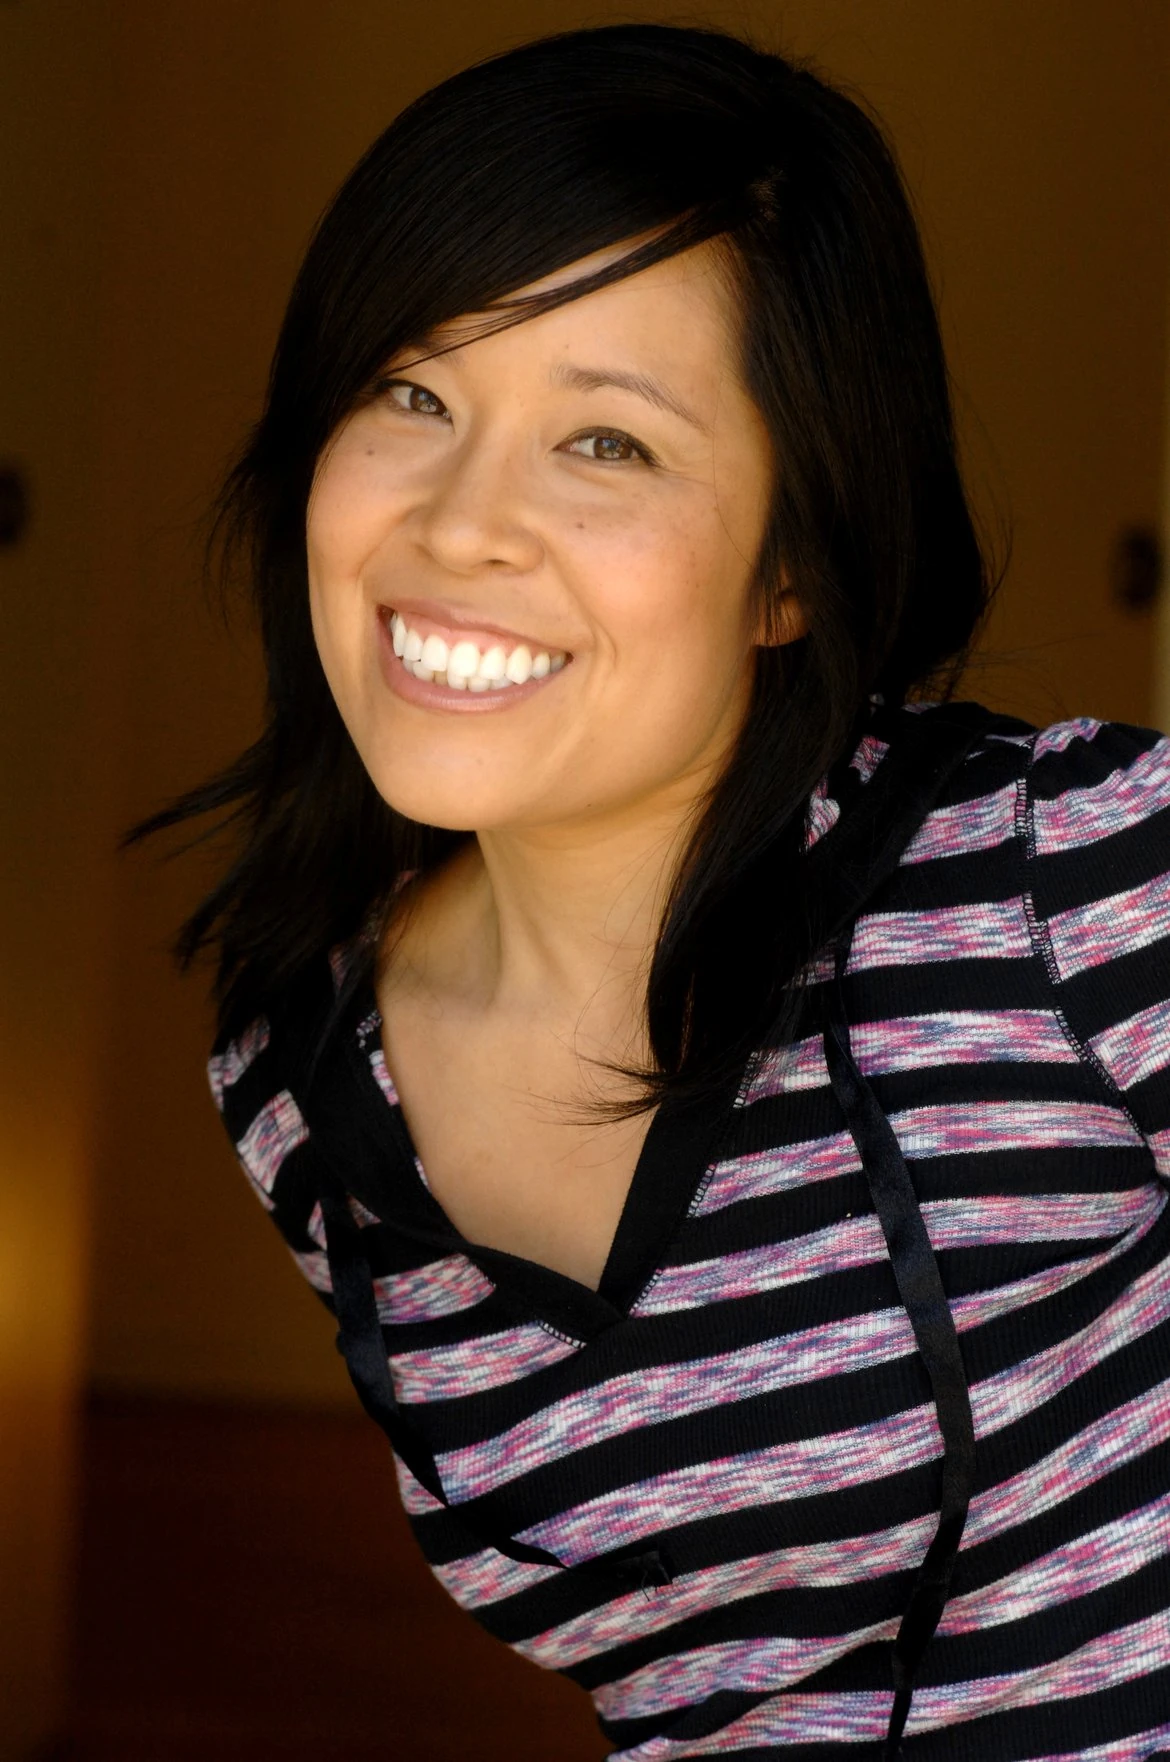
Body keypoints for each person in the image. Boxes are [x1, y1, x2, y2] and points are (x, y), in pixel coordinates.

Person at [136, 23, 1170, 1759]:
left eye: (604, 442)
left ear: (788, 567)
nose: (460, 524)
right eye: (411, 394)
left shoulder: (1064, 877)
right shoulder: (302, 1074)